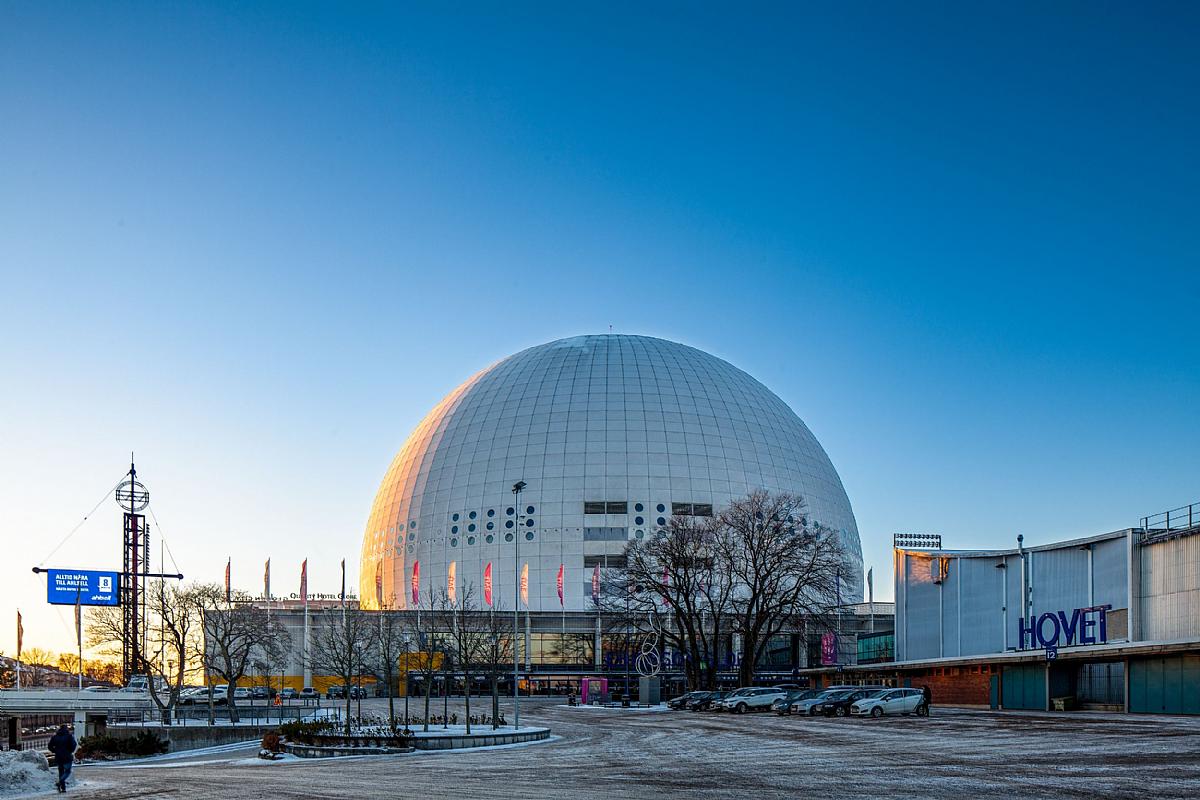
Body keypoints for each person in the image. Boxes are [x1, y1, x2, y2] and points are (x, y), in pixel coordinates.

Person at [48, 724, 77, 793]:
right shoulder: (69, 736)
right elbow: (73, 745)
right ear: (66, 729)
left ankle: (63, 788)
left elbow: (49, 746)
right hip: (67, 756)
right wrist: (70, 751)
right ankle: (61, 782)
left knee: (61, 772)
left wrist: (55, 751)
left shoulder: (55, 737)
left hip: (58, 757)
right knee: (67, 771)